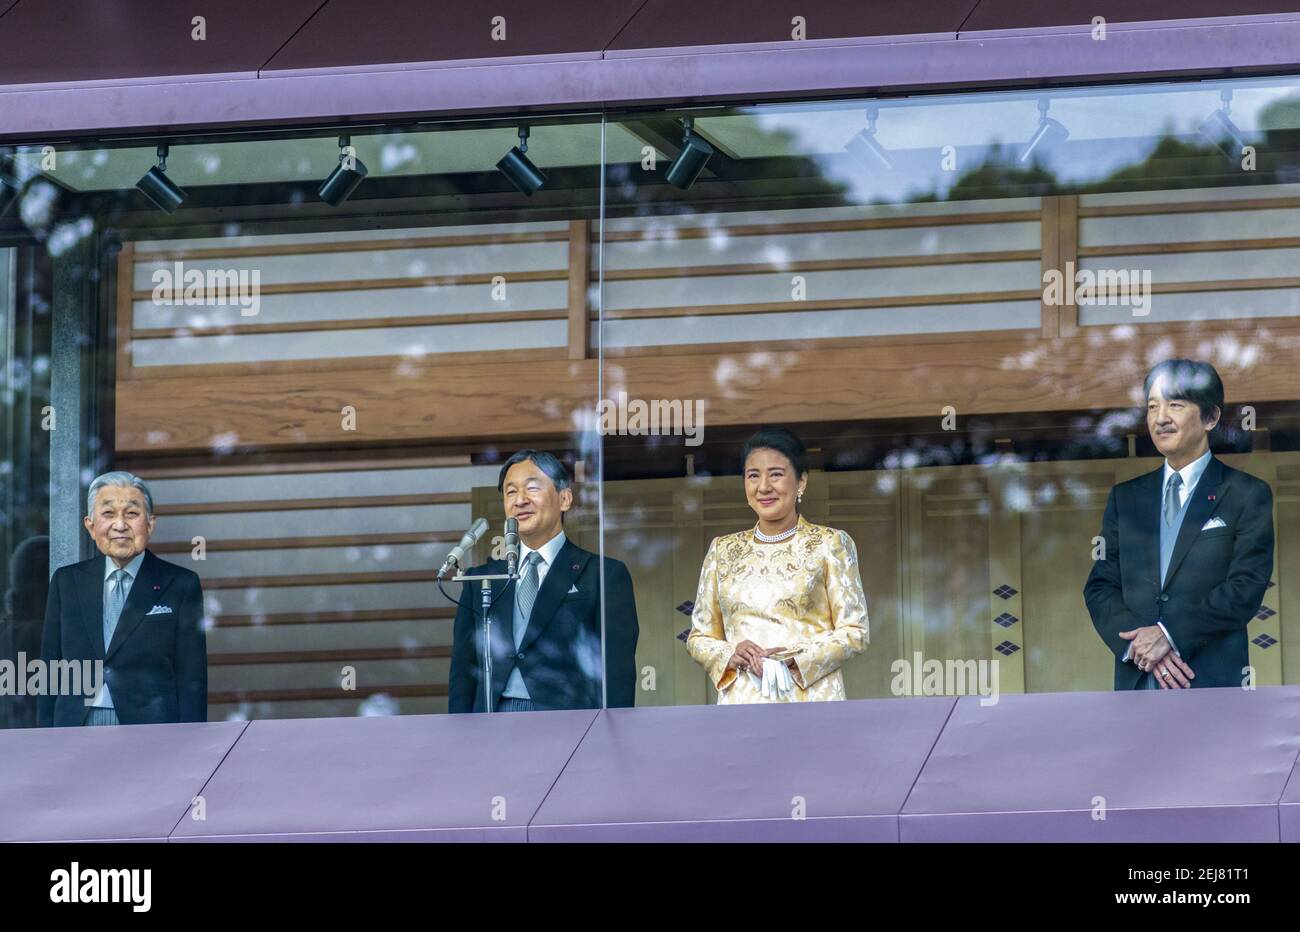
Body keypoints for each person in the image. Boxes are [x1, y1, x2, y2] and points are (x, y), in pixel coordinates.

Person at [1084, 359, 1274, 690]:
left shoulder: (1246, 494)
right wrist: (1138, 646)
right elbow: (1100, 587)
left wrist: (1170, 635)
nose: (1160, 418)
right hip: (1137, 684)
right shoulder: (1125, 498)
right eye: (1152, 406)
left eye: (1175, 404)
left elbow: (1245, 587)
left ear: (1211, 417)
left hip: (1213, 685)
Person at [448, 450, 639, 712]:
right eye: (511, 492)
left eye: (533, 488)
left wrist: (611, 737)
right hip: (491, 723)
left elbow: (618, 674)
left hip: (570, 723)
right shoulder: (481, 580)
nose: (520, 500)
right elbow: (463, 672)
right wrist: (460, 737)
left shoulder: (604, 574)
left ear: (564, 499)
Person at [687, 427, 869, 703]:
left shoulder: (829, 544)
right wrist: (731, 653)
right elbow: (699, 637)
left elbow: (856, 632)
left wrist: (794, 658)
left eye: (776, 474)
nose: (763, 487)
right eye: (753, 476)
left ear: (801, 482)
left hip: (811, 703)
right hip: (742, 705)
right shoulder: (722, 550)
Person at [39, 471, 207, 726]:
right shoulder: (66, 582)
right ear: (90, 525)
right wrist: (44, 740)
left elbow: (191, 678)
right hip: (74, 726)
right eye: (108, 514)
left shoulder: (181, 584)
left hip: (151, 730)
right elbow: (50, 668)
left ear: (150, 524)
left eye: (131, 513)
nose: (120, 525)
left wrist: (192, 744)